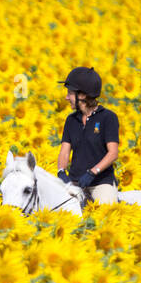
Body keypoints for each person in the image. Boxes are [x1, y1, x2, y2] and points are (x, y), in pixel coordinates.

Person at [56, 66, 119, 206]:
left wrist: (92, 172)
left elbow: (113, 153)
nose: (66, 97)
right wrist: (61, 171)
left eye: (70, 93)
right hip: (74, 183)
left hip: (101, 183)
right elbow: (64, 151)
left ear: (83, 95)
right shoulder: (71, 120)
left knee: (106, 211)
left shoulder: (108, 118)